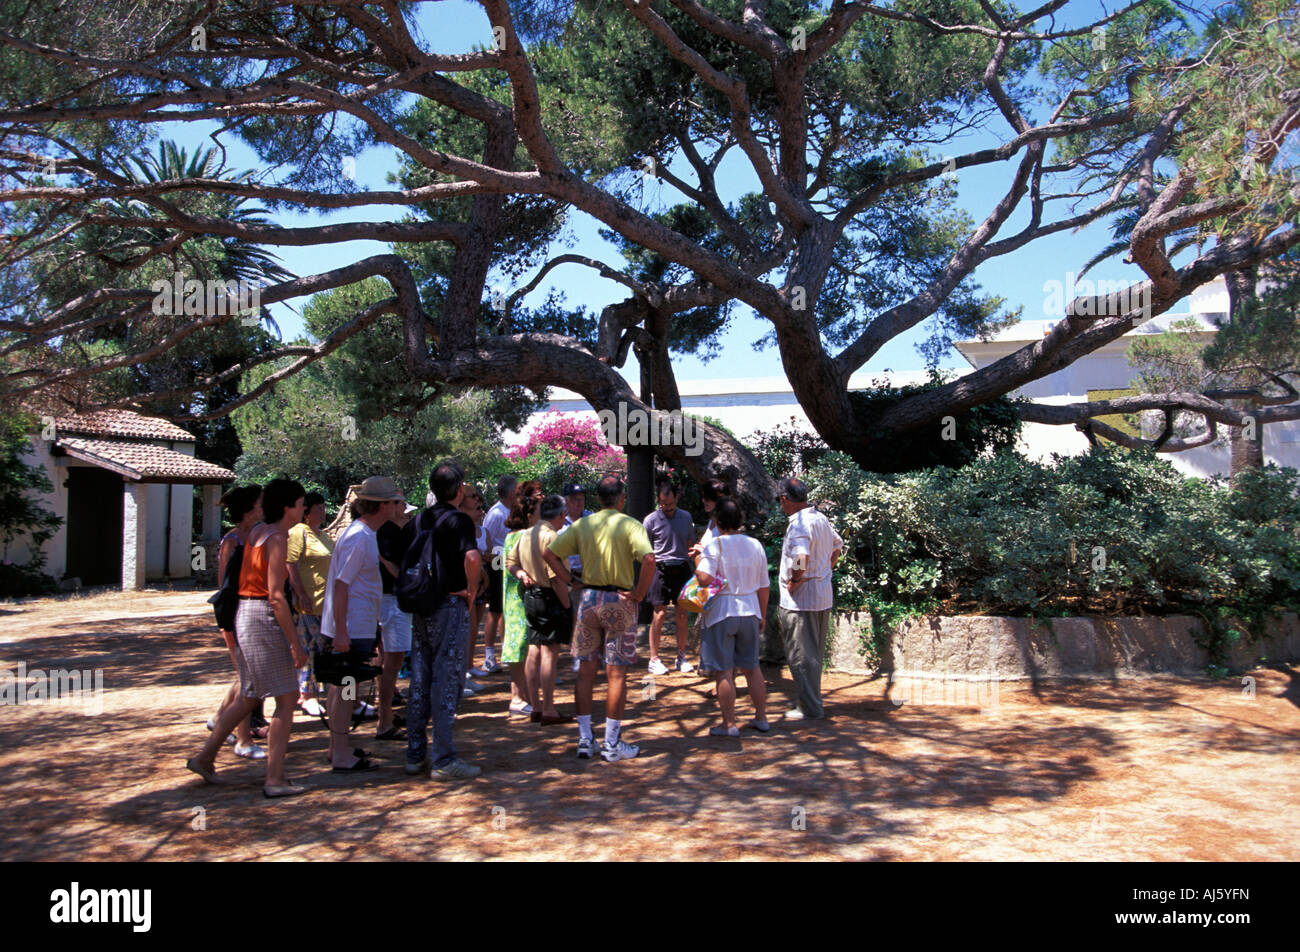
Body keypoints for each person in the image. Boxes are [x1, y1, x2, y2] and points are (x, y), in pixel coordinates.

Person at [187, 478, 309, 797]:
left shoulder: (257, 532)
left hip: (245, 613)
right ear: (287, 507)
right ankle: (275, 779)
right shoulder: (278, 537)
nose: (304, 508)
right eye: (300, 503)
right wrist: (296, 644)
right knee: (286, 699)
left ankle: (205, 757)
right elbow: (276, 597)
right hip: (262, 617)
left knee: (249, 696)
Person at [543, 475, 655, 762]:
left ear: (598, 498)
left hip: (589, 601)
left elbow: (549, 553)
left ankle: (585, 739)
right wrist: (640, 593)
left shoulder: (583, 525)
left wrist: (570, 580)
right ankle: (612, 743)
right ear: (621, 498)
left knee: (585, 672)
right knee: (616, 674)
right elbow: (650, 560)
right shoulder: (630, 525)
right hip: (619, 602)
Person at [319, 475, 407, 770]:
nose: (400, 507)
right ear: (382, 505)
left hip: (354, 624)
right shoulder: (360, 537)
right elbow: (342, 585)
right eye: (395, 501)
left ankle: (338, 747)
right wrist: (342, 632)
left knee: (340, 688)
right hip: (350, 627)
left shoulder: (363, 534)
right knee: (346, 689)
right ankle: (341, 752)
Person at [406, 460, 483, 781]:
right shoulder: (459, 521)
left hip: (421, 605)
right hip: (449, 604)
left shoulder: (419, 519)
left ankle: (414, 754)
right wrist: (470, 590)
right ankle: (443, 758)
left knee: (420, 679)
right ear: (459, 489)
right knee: (447, 681)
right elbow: (473, 557)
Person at [695, 499, 770, 736]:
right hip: (750, 609)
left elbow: (704, 579)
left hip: (722, 612)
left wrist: (697, 559)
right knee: (752, 668)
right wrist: (763, 614)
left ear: (717, 522)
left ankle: (729, 724)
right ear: (741, 521)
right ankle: (761, 718)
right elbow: (764, 585)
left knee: (724, 671)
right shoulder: (755, 545)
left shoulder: (715, 544)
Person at [775, 476, 843, 721]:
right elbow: (838, 545)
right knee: (813, 653)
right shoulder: (820, 518)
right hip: (821, 595)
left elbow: (801, 556)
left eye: (780, 501)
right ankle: (811, 703)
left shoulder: (800, 524)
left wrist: (795, 580)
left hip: (801, 600)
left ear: (785, 500)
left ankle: (810, 708)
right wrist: (826, 570)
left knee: (801, 654)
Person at [207, 485, 264, 758]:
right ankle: (243, 740)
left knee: (245, 675)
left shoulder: (257, 536)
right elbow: (224, 585)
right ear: (250, 508)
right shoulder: (233, 540)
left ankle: (219, 718)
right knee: (246, 677)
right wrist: (230, 619)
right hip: (235, 614)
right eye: (261, 503)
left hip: (251, 615)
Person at [507, 494, 573, 724]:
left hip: (531, 596)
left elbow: (510, 562)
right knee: (550, 653)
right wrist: (567, 605)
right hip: (550, 597)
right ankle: (549, 708)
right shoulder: (551, 536)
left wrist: (521, 574)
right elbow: (557, 578)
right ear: (561, 515)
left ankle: (535, 705)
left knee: (534, 650)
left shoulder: (526, 533)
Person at [643, 478, 696, 676]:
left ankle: (681, 656)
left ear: (677, 498)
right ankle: (654, 658)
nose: (667, 507)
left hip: (682, 568)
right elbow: (644, 547)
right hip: (660, 569)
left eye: (670, 504)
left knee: (682, 614)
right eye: (663, 504)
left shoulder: (686, 517)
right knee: (660, 613)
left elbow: (691, 541)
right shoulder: (650, 520)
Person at [286, 491, 332, 718]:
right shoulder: (298, 533)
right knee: (308, 650)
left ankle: (319, 694)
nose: (322, 511)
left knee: (322, 651)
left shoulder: (322, 535)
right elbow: (290, 564)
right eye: (318, 507)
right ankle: (307, 697)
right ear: (306, 510)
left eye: (324, 507)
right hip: (307, 604)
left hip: (325, 604)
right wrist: (300, 592)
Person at [500, 481, 543, 716]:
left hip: (525, 598)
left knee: (526, 646)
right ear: (528, 511)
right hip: (519, 599)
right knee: (519, 647)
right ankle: (516, 698)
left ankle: (524, 695)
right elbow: (513, 567)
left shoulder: (526, 534)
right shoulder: (519, 537)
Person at [375, 502, 416, 741]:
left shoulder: (395, 531)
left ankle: (386, 715)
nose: (404, 509)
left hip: (393, 598)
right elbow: (390, 565)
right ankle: (384, 720)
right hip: (391, 599)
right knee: (393, 658)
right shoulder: (386, 532)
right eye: (400, 504)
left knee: (391, 657)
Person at [479, 474, 518, 674]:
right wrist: (497, 560)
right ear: (511, 492)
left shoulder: (512, 511)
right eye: (517, 489)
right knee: (495, 610)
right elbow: (487, 541)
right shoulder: (496, 513)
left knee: (506, 609)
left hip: (510, 564)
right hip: (497, 564)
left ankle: (505, 651)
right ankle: (488, 655)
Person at [459, 485, 489, 696]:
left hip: (475, 586)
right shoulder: (457, 526)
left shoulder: (472, 528)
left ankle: (465, 672)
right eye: (473, 498)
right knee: (462, 634)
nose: (478, 502)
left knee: (470, 631)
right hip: (461, 589)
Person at [562, 483, 591, 673]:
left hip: (591, 574)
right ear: (566, 501)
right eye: (574, 499)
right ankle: (577, 654)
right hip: (569, 575)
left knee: (591, 614)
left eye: (581, 498)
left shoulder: (591, 518)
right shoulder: (558, 521)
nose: (579, 502)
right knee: (574, 616)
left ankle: (594, 652)